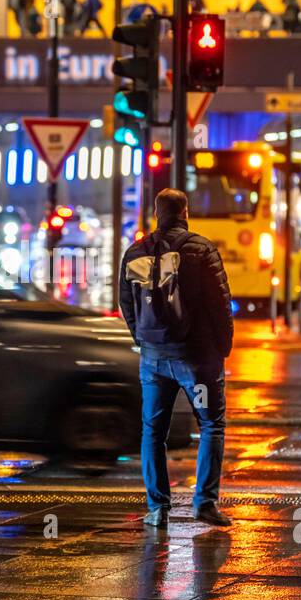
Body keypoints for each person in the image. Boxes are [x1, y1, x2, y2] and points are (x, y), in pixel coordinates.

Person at [119, 188, 234, 529]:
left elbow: (128, 305)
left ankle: (158, 508)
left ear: (157, 213)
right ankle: (205, 503)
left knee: (153, 430)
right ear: (185, 212)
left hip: (154, 359)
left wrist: (142, 340)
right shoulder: (201, 249)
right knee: (211, 424)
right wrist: (222, 347)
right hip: (197, 358)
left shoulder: (135, 252)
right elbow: (220, 304)